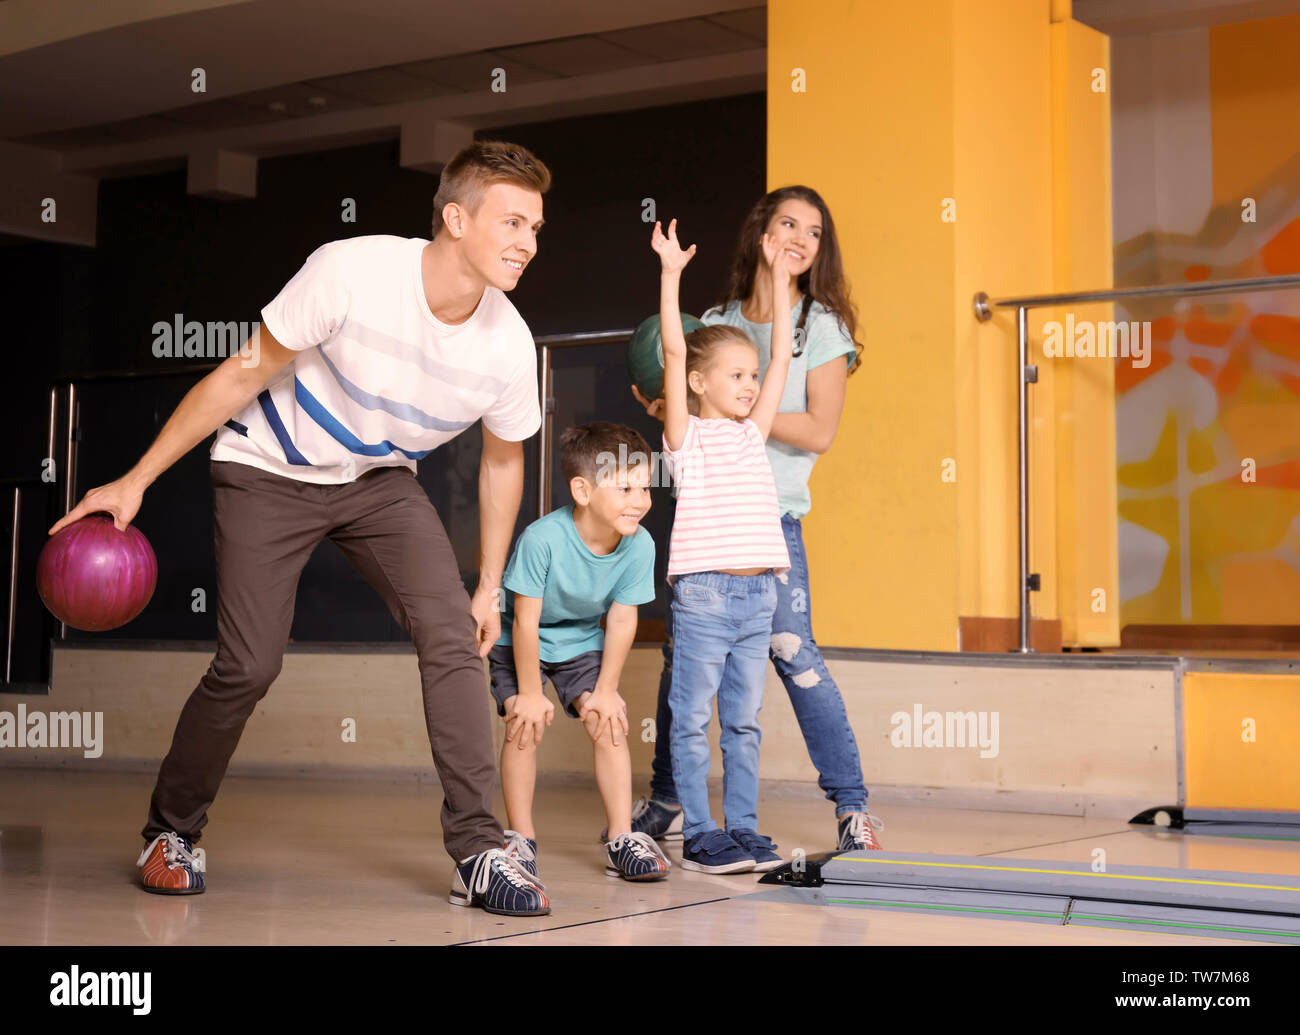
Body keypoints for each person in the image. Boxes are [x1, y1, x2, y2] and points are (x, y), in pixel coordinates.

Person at [50, 140, 554, 917]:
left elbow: (501, 463)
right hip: (268, 469)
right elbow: (243, 371)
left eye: (536, 227)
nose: (527, 242)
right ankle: (170, 830)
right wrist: (135, 480)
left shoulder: (509, 343)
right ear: (455, 218)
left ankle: (480, 850)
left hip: (377, 481)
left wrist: (489, 583)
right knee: (250, 663)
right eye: (512, 221)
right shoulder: (351, 272)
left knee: (454, 633)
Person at [630, 187, 883, 855]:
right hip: (708, 539)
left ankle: (851, 804)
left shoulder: (815, 328)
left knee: (793, 660)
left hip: (770, 528)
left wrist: (740, 416)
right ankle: (673, 801)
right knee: (682, 671)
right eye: (788, 224)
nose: (802, 237)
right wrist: (682, 404)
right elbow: (684, 377)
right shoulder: (716, 318)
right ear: (761, 233)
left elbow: (820, 428)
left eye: (815, 232)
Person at [652, 217, 793, 874]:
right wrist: (672, 275)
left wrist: (782, 280)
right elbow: (675, 354)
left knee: (742, 723)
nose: (748, 384)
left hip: (758, 593)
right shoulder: (689, 440)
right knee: (691, 720)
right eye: (734, 375)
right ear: (701, 384)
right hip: (706, 595)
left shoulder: (751, 434)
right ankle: (701, 833)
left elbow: (785, 355)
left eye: (751, 375)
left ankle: (743, 828)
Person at [490, 422, 671, 888]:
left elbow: (623, 619)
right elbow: (525, 621)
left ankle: (622, 838)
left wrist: (607, 690)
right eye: (626, 487)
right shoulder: (541, 539)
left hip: (579, 641)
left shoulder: (640, 544)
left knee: (607, 721)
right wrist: (529, 694)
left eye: (646, 487)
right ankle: (521, 840)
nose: (640, 499)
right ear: (582, 490)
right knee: (524, 724)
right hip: (520, 639)